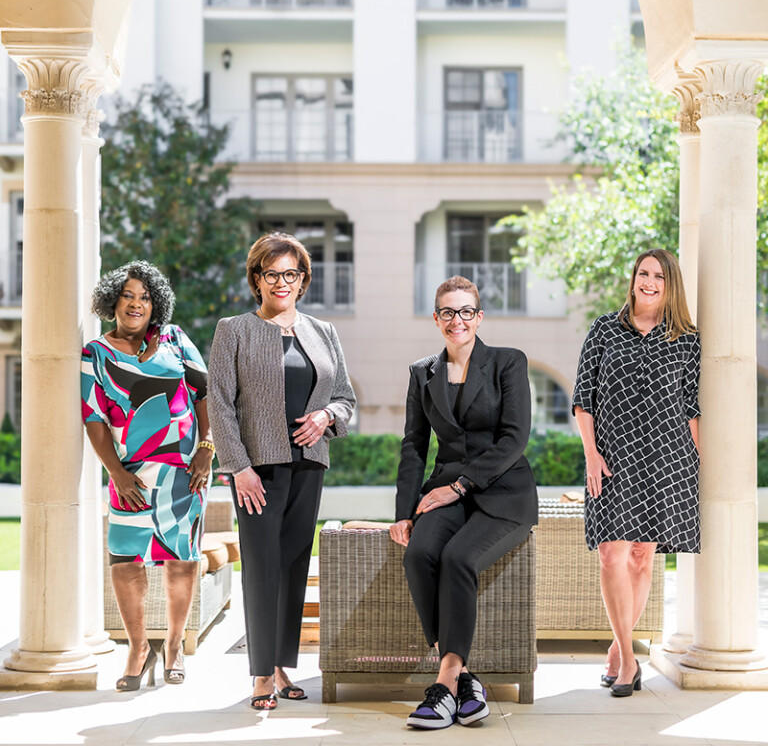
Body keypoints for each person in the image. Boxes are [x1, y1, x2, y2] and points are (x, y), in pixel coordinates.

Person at [207, 231, 356, 710]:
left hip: (308, 466)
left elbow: (346, 399)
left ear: (303, 279)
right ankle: (259, 676)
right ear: (257, 279)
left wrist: (326, 417)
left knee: (293, 566)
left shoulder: (323, 332)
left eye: (291, 273)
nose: (282, 282)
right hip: (257, 472)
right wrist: (238, 469)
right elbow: (221, 405)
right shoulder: (234, 329)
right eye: (272, 274)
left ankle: (281, 665)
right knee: (261, 567)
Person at [389, 276, 537, 730]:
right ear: (436, 319)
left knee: (457, 557)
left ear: (479, 316)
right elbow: (414, 445)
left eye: (466, 311)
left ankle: (444, 683)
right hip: (445, 490)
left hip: (503, 493)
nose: (458, 321)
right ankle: (465, 680)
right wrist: (402, 511)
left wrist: (459, 487)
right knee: (419, 555)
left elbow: (515, 437)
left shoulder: (507, 363)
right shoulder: (422, 372)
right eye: (448, 313)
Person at [572, 248, 700, 698]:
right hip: (613, 458)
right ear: (633, 279)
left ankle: (617, 650)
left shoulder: (687, 339)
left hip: (669, 460)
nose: (648, 282)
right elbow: (583, 397)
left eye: (659, 277)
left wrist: (695, 471)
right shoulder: (605, 329)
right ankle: (629, 660)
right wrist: (591, 455)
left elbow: (691, 410)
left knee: (643, 557)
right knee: (611, 554)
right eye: (643, 273)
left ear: (670, 287)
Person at [81, 260, 212, 691]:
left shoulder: (174, 338)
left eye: (145, 297)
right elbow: (94, 417)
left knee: (181, 560)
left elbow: (205, 393)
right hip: (131, 475)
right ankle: (138, 649)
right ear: (113, 302)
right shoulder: (96, 353)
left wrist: (206, 449)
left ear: (156, 304)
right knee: (125, 560)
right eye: (128, 295)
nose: (137, 304)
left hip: (183, 472)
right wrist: (115, 473)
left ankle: (173, 645)